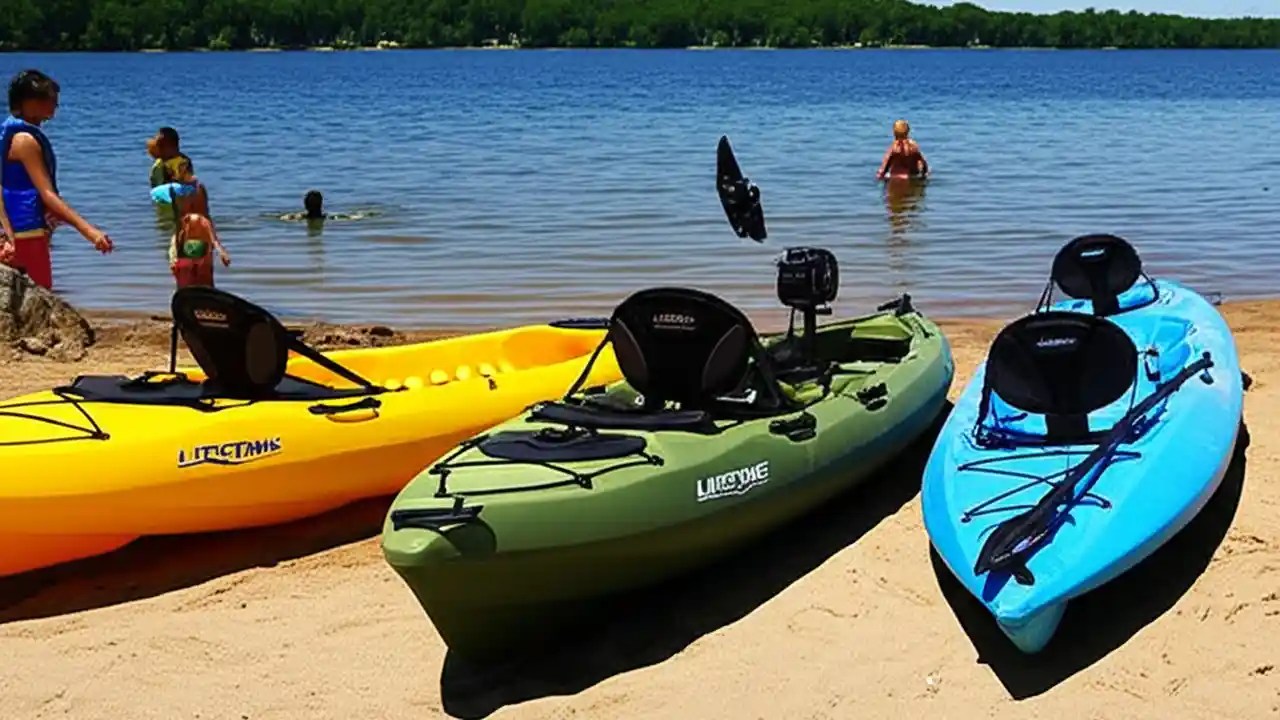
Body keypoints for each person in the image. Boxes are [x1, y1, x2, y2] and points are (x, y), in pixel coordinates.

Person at [0, 69, 112, 290]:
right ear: (30, 102)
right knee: (39, 295)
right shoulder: (25, 141)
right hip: (24, 234)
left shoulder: (12, 135)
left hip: (12, 234)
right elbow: (48, 195)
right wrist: (90, 232)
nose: (55, 107)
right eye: (51, 100)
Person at [152, 158, 229, 288]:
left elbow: (183, 220)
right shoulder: (195, 189)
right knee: (204, 280)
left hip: (188, 235)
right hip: (197, 235)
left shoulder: (178, 191)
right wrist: (218, 247)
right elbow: (205, 216)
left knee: (185, 279)